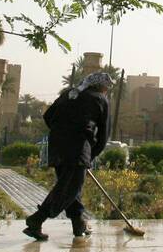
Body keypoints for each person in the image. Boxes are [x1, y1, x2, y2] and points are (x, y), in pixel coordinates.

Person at [24, 69, 112, 241]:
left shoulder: (69, 94)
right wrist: (90, 154)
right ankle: (37, 219)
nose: (107, 91)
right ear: (102, 87)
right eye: (107, 88)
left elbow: (48, 115)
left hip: (57, 145)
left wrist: (61, 130)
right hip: (78, 147)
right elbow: (103, 135)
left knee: (69, 187)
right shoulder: (100, 99)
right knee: (69, 189)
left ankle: (78, 224)